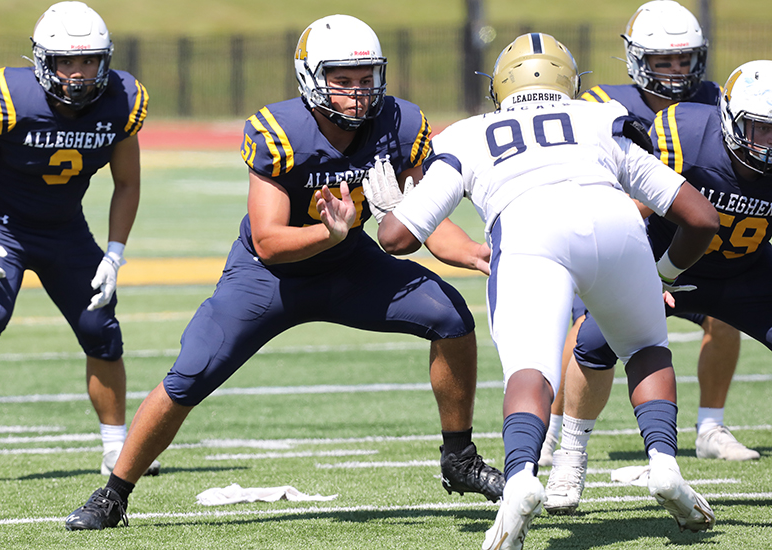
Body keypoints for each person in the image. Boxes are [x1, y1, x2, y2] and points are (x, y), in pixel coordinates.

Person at [62, 14, 504, 530]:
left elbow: (424, 221)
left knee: (450, 316)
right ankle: (114, 494)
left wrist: (477, 253)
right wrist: (329, 233)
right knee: (190, 375)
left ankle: (459, 458)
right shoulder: (281, 131)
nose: (357, 94)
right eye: (341, 81)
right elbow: (269, 241)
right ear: (312, 79)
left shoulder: (401, 124)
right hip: (267, 279)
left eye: (365, 81)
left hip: (347, 267)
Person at [371, 33, 719, 549]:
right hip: (614, 222)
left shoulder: (468, 134)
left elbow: (398, 238)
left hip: (529, 233)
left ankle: (519, 480)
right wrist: (662, 273)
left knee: (530, 370)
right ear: (569, 82)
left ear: (500, 87)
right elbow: (701, 217)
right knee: (645, 347)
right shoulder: (599, 119)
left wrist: (390, 208)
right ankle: (664, 464)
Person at [542, 0, 759, 516]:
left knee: (722, 319)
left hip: (717, 254)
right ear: (637, 59)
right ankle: (556, 437)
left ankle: (709, 426)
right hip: (633, 249)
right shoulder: (598, 105)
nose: (677, 73)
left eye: (685, 61)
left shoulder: (723, 105)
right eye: (664, 61)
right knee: (587, 335)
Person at [0, 0, 159, 484]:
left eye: (88, 61)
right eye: (66, 62)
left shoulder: (121, 102)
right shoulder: (11, 99)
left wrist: (115, 254)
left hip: (64, 229)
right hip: (1, 224)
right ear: (43, 62)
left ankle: (116, 447)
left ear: (105, 60)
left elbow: (128, 183)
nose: (77, 74)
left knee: (101, 328)